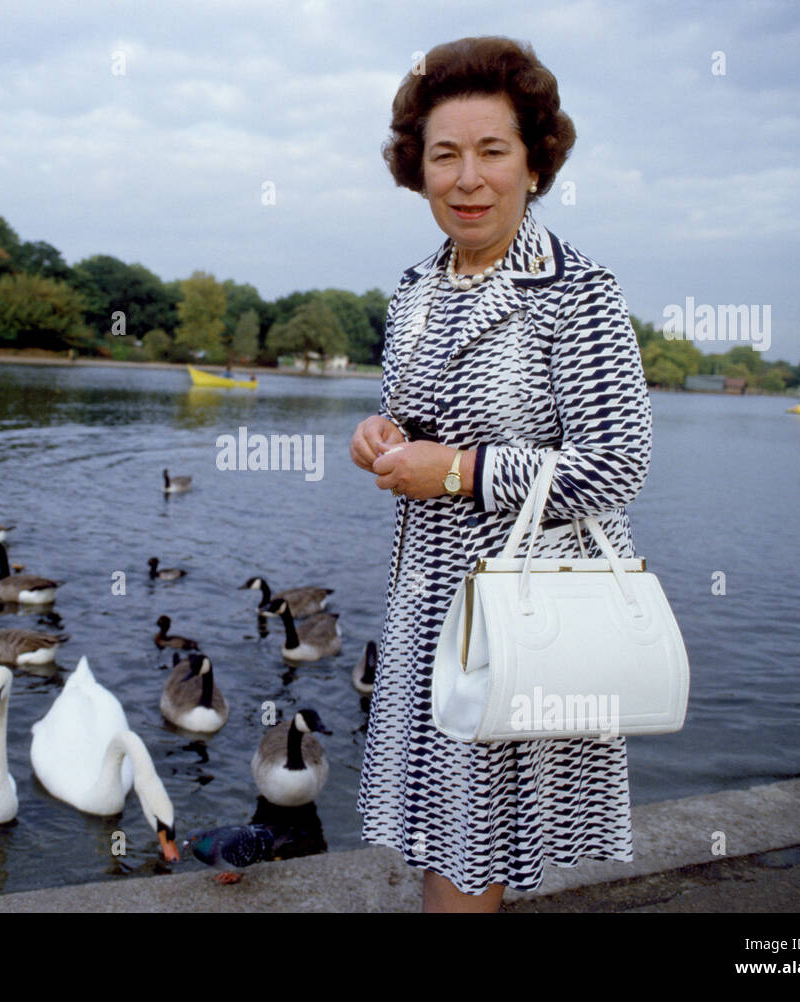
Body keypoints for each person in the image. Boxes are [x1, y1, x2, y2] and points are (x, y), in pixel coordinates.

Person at [349, 36, 652, 913]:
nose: (467, 178)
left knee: (469, 849)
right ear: (418, 169)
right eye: (445, 155)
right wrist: (383, 435)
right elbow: (418, 416)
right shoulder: (415, 287)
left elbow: (614, 467)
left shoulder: (577, 291)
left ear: (534, 163)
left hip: (523, 609)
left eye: (493, 151)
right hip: (426, 600)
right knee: (452, 841)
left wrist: (457, 473)